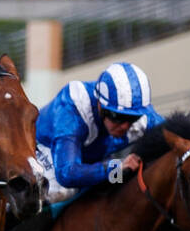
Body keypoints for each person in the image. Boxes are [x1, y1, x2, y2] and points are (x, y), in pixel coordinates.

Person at [35, 62, 163, 207]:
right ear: (100, 106)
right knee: (60, 190)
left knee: (123, 180)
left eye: (132, 118)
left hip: (89, 157)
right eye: (118, 116)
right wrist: (116, 167)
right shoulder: (73, 110)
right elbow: (66, 174)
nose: (125, 126)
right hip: (47, 152)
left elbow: (172, 130)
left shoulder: (140, 116)